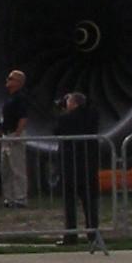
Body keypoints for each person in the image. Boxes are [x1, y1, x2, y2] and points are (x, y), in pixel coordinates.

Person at [53, 89, 103, 246]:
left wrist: (61, 111)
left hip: (70, 165)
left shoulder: (65, 118)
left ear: (73, 104)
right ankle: (93, 234)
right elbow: (93, 110)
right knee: (90, 202)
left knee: (69, 203)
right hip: (89, 164)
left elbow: (56, 130)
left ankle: (71, 235)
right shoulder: (93, 116)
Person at [0, 70, 32, 209]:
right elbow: (3, 119)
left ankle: (20, 198)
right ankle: (9, 197)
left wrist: (17, 134)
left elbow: (23, 117)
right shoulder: (8, 99)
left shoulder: (20, 98)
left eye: (11, 78)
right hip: (6, 134)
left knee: (17, 168)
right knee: (6, 169)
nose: (7, 80)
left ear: (19, 83)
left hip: (14, 135)